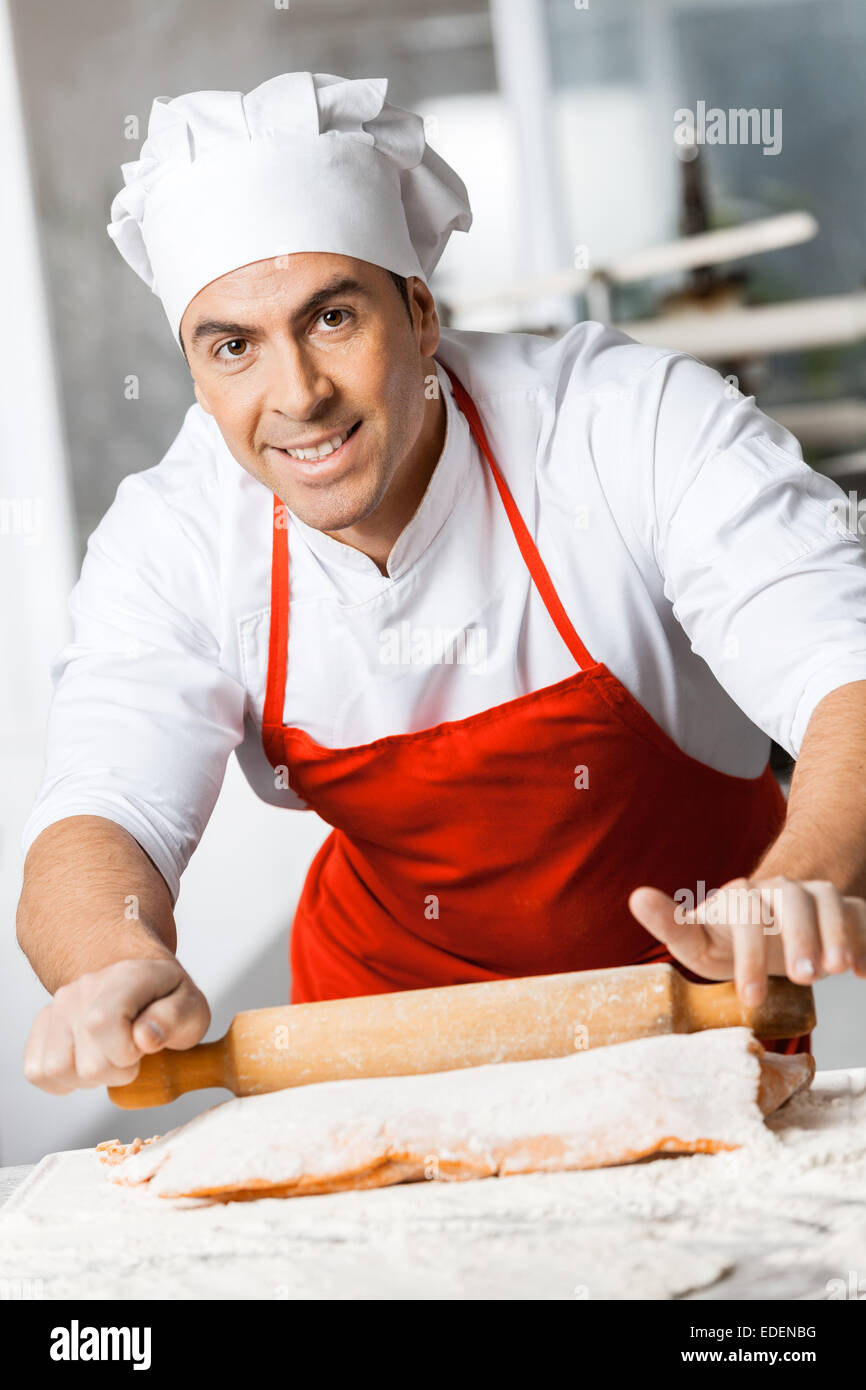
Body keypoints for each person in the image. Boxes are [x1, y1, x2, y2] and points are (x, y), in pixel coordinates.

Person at [17, 72, 866, 1096]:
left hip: (687, 1021)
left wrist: (796, 881)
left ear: (419, 312)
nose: (296, 395)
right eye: (233, 346)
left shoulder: (621, 426)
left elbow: (842, 668)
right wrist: (111, 966)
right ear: (198, 372)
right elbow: (103, 811)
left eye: (331, 318)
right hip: (372, 1051)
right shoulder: (174, 536)